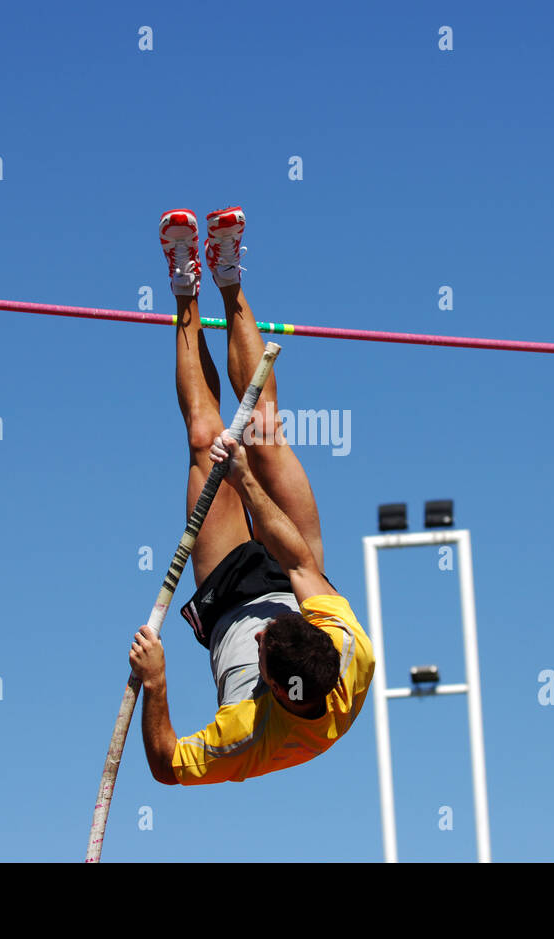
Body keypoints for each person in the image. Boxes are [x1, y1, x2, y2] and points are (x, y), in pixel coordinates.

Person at [128, 206, 375, 785]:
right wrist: (245, 479)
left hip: (230, 598)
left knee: (203, 438)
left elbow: (166, 766)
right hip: (297, 571)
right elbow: (298, 562)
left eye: (265, 645)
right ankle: (227, 275)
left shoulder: (245, 735)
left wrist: (156, 683)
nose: (268, 632)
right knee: (261, 431)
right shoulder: (347, 650)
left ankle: (183, 287)